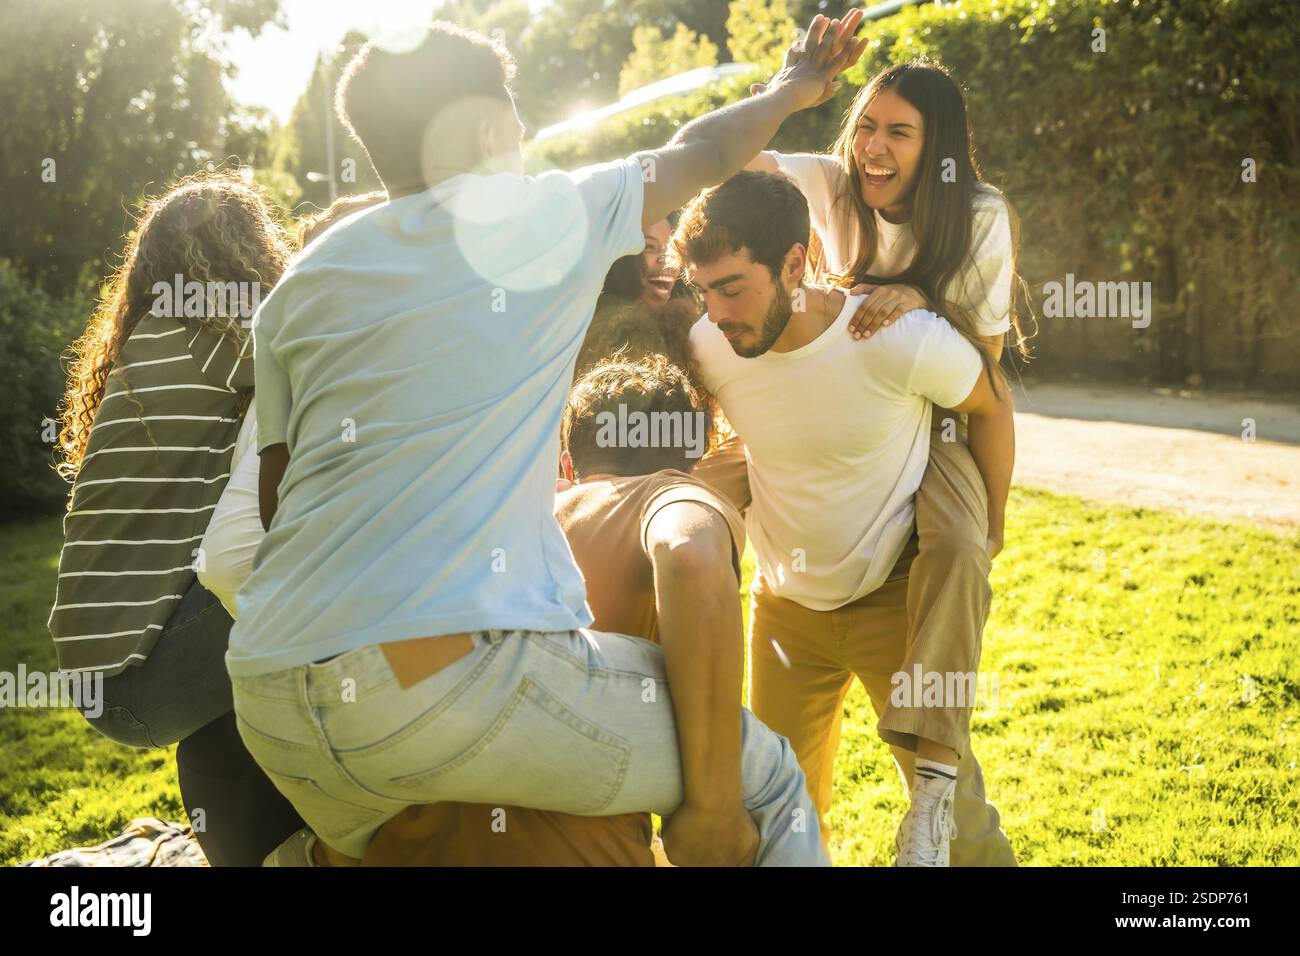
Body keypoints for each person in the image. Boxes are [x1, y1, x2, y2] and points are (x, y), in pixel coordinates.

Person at [226, 14, 869, 866]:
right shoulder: (534, 218)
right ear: (488, 126)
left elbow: (278, 501)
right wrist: (793, 86)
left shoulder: (299, 288)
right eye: (515, 116)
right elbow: (703, 149)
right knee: (767, 782)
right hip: (426, 680)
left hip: (273, 697)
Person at [671, 170, 1017, 866]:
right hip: (786, 613)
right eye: (702, 291)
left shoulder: (897, 339)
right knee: (775, 825)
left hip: (892, 600)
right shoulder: (714, 344)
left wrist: (991, 522)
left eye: (732, 287)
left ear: (794, 264)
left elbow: (989, 405)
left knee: (960, 831)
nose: (715, 312)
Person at [48, 173, 304, 866]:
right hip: (138, 676)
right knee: (322, 587)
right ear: (247, 255)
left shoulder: (157, 341)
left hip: (108, 678)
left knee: (232, 726)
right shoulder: (217, 341)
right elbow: (329, 351)